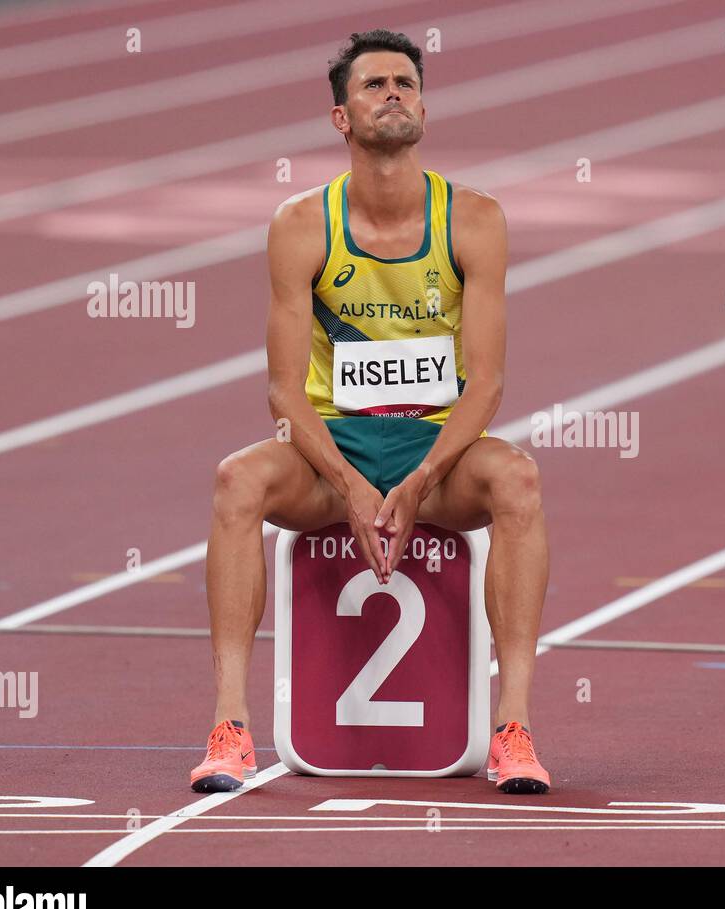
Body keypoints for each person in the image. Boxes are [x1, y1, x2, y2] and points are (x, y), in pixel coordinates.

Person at [189, 30, 551, 795]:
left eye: (405, 82)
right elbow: (285, 391)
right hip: (334, 456)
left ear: (423, 104)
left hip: (437, 454)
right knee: (235, 481)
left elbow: (485, 384)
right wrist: (351, 486)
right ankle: (229, 730)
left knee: (519, 481)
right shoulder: (301, 224)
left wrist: (421, 479)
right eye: (373, 85)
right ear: (340, 119)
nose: (393, 93)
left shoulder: (474, 220)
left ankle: (513, 731)